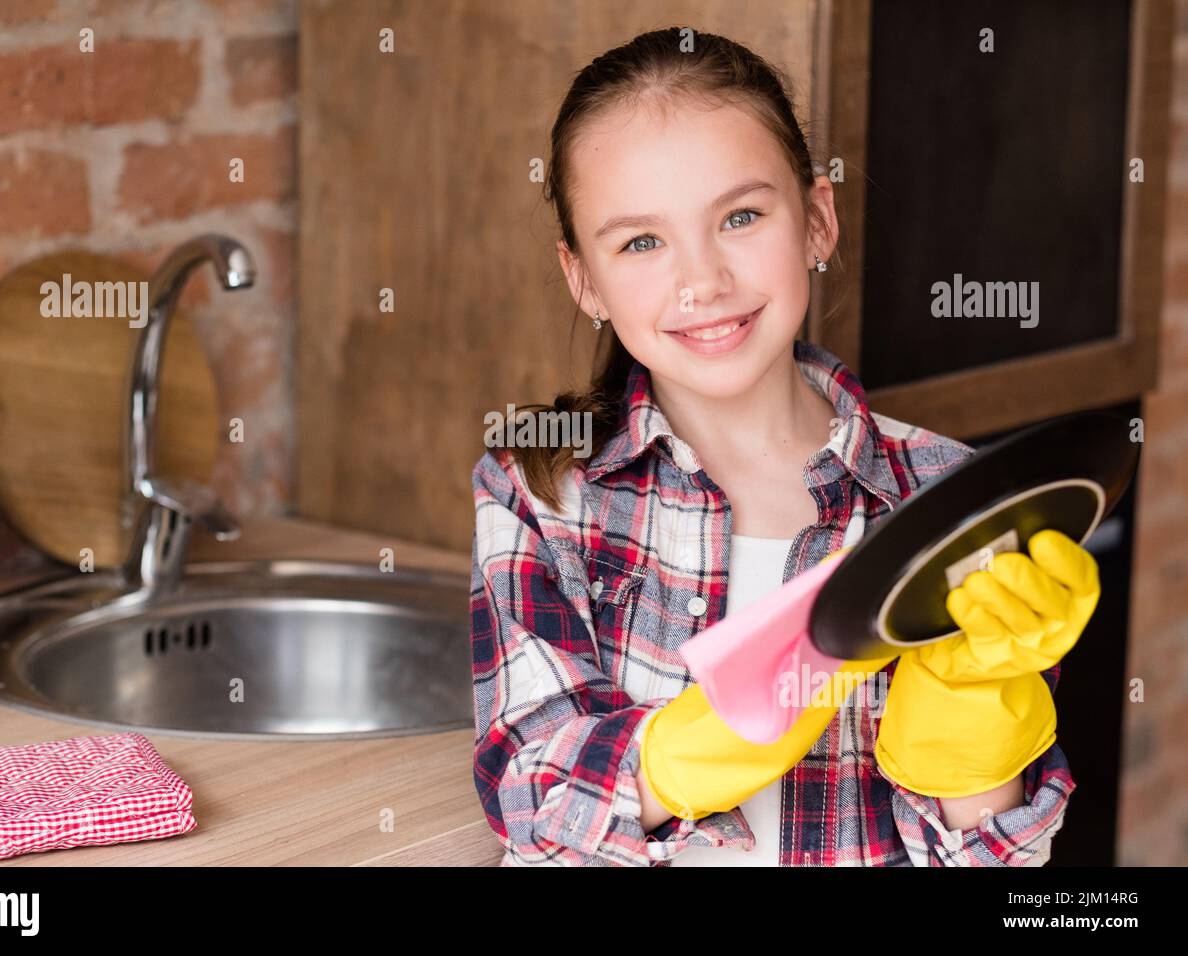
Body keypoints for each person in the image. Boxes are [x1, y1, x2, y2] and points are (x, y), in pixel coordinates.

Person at [469, 27, 1094, 866]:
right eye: (641, 241)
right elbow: (531, 795)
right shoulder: (540, 490)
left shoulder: (949, 498)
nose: (703, 280)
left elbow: (996, 859)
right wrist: (700, 745)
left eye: (741, 215)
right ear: (583, 277)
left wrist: (971, 703)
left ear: (817, 220)